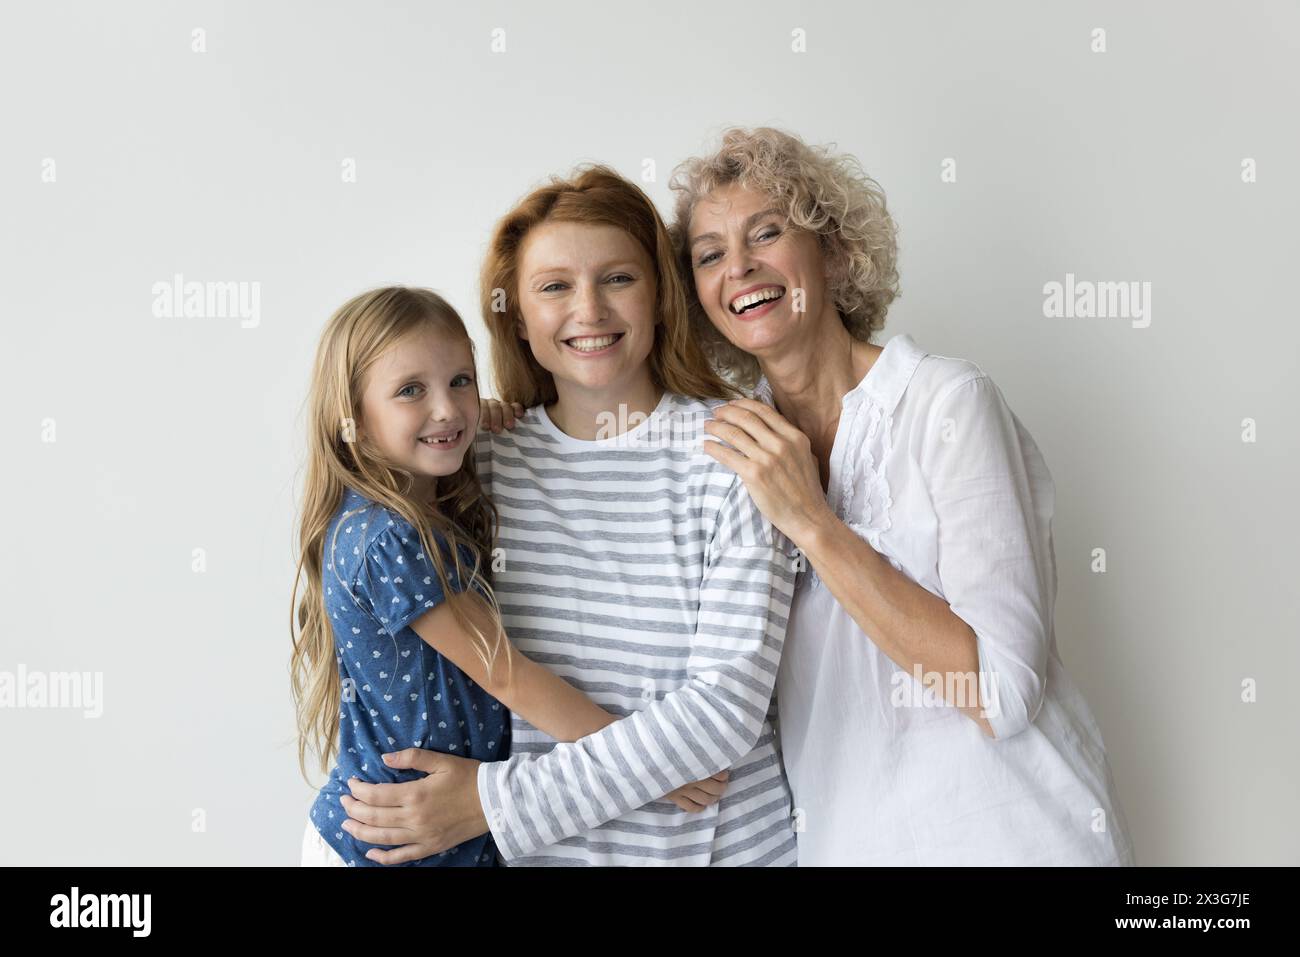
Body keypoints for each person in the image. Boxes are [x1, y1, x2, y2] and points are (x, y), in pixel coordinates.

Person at [670, 126, 1135, 865]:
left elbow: (1002, 690)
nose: (740, 267)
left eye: (767, 231)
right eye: (709, 254)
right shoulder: (729, 447)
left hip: (1018, 839)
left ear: (833, 251)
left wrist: (815, 526)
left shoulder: (947, 404)